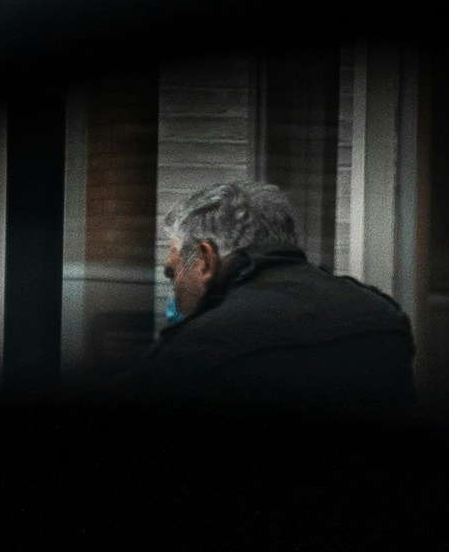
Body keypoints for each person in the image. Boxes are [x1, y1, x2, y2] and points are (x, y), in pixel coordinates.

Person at [143, 173, 416, 410]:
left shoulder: (198, 348)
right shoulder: (383, 316)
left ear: (205, 259)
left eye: (173, 273)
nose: (174, 287)